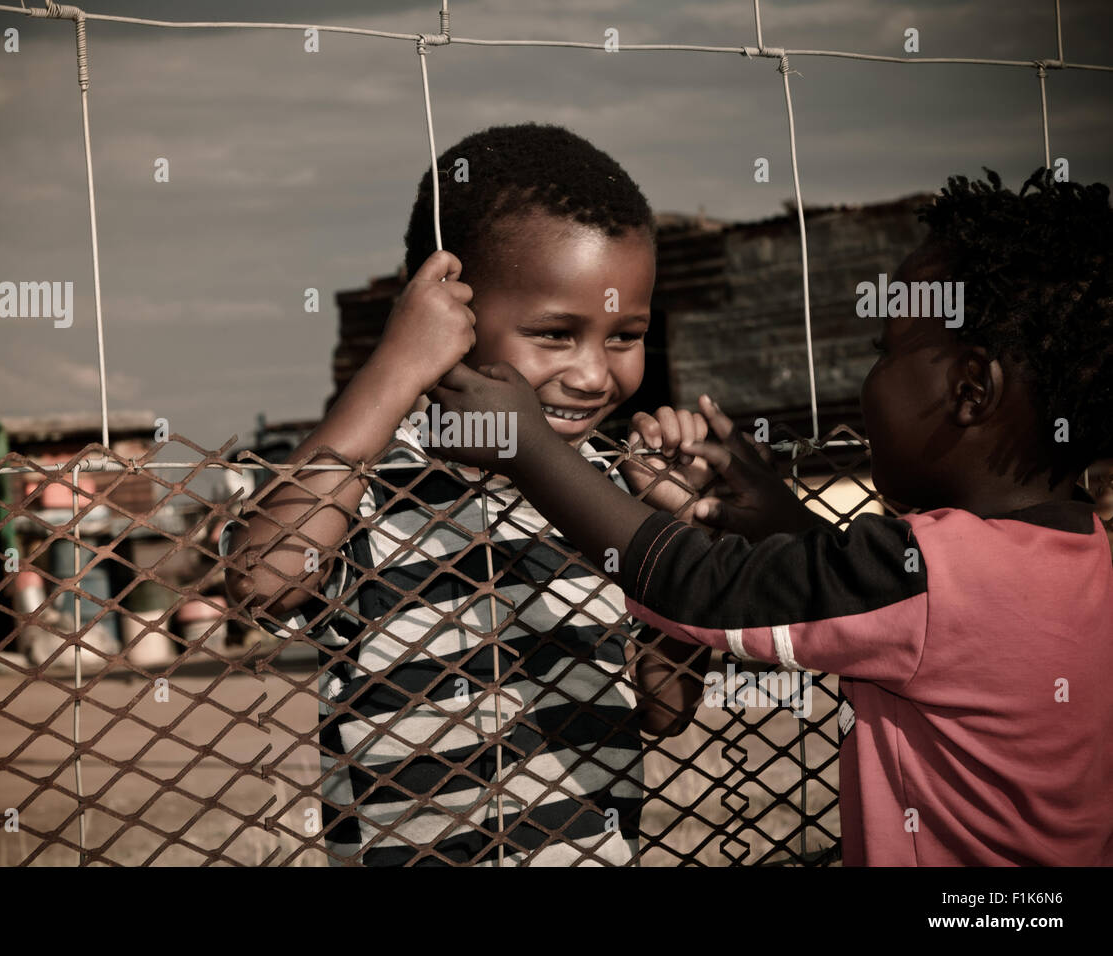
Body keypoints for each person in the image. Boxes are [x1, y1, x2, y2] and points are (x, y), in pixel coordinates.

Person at [429, 168, 1113, 865]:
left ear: (970, 389)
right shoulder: (1084, 556)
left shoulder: (933, 573)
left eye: (886, 349)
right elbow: (889, 609)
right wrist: (779, 515)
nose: (869, 376)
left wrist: (531, 449)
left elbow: (702, 589)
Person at [220, 123, 711, 865]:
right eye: (554, 334)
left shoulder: (609, 497)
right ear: (447, 313)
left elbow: (663, 709)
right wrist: (395, 367)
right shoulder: (374, 491)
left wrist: (682, 538)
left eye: (624, 334)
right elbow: (263, 581)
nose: (593, 374)